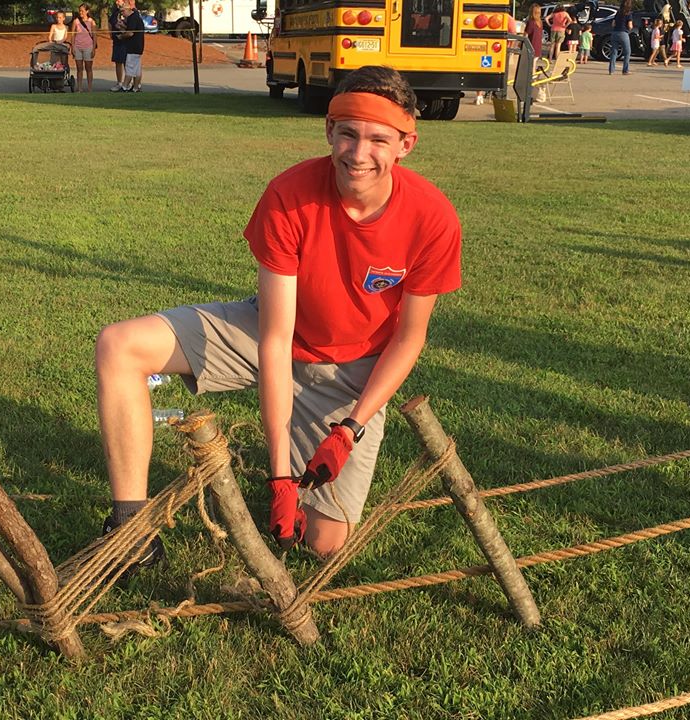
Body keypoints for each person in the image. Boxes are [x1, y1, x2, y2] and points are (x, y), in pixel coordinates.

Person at [94, 65, 462, 561]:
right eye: (348, 134)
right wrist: (279, 474)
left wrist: (349, 428)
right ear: (330, 130)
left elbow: (408, 339)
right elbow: (275, 337)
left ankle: (315, 466)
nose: (358, 154)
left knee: (325, 544)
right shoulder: (289, 194)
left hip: (354, 372)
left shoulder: (432, 217)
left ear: (406, 144)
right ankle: (131, 528)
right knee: (121, 346)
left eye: (378, 139)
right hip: (274, 333)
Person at [117, 0, 144, 92]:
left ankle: (124, 87)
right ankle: (136, 88)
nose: (122, 14)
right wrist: (123, 26)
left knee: (129, 67)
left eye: (122, 11)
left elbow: (130, 33)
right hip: (138, 47)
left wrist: (121, 36)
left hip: (133, 47)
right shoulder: (136, 17)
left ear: (127, 9)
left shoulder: (133, 18)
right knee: (137, 69)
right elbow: (132, 29)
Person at [70, 4, 97, 92]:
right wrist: (73, 46)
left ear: (87, 11)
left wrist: (93, 48)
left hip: (88, 46)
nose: (80, 12)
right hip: (78, 46)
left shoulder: (91, 21)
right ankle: (79, 87)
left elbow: (94, 35)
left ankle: (90, 87)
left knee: (88, 68)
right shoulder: (76, 21)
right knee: (79, 68)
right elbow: (73, 35)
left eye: (82, 11)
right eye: (80, 10)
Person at [524, 4, 546, 101]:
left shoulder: (531, 22)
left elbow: (526, 35)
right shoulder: (540, 23)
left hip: (531, 47)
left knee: (530, 70)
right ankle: (533, 90)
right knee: (533, 67)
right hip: (537, 48)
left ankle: (533, 90)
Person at [609, 0, 634, 75]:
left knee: (614, 52)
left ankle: (611, 70)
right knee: (627, 52)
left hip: (615, 33)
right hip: (623, 33)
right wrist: (630, 28)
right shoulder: (629, 14)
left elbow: (613, 24)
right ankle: (625, 70)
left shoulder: (618, 13)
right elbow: (630, 26)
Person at [108, 0, 128, 91]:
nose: (116, 2)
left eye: (118, 0)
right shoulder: (115, 12)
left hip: (126, 41)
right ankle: (119, 83)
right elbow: (110, 23)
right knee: (118, 62)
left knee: (126, 62)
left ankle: (127, 83)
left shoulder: (128, 11)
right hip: (116, 41)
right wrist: (111, 33)